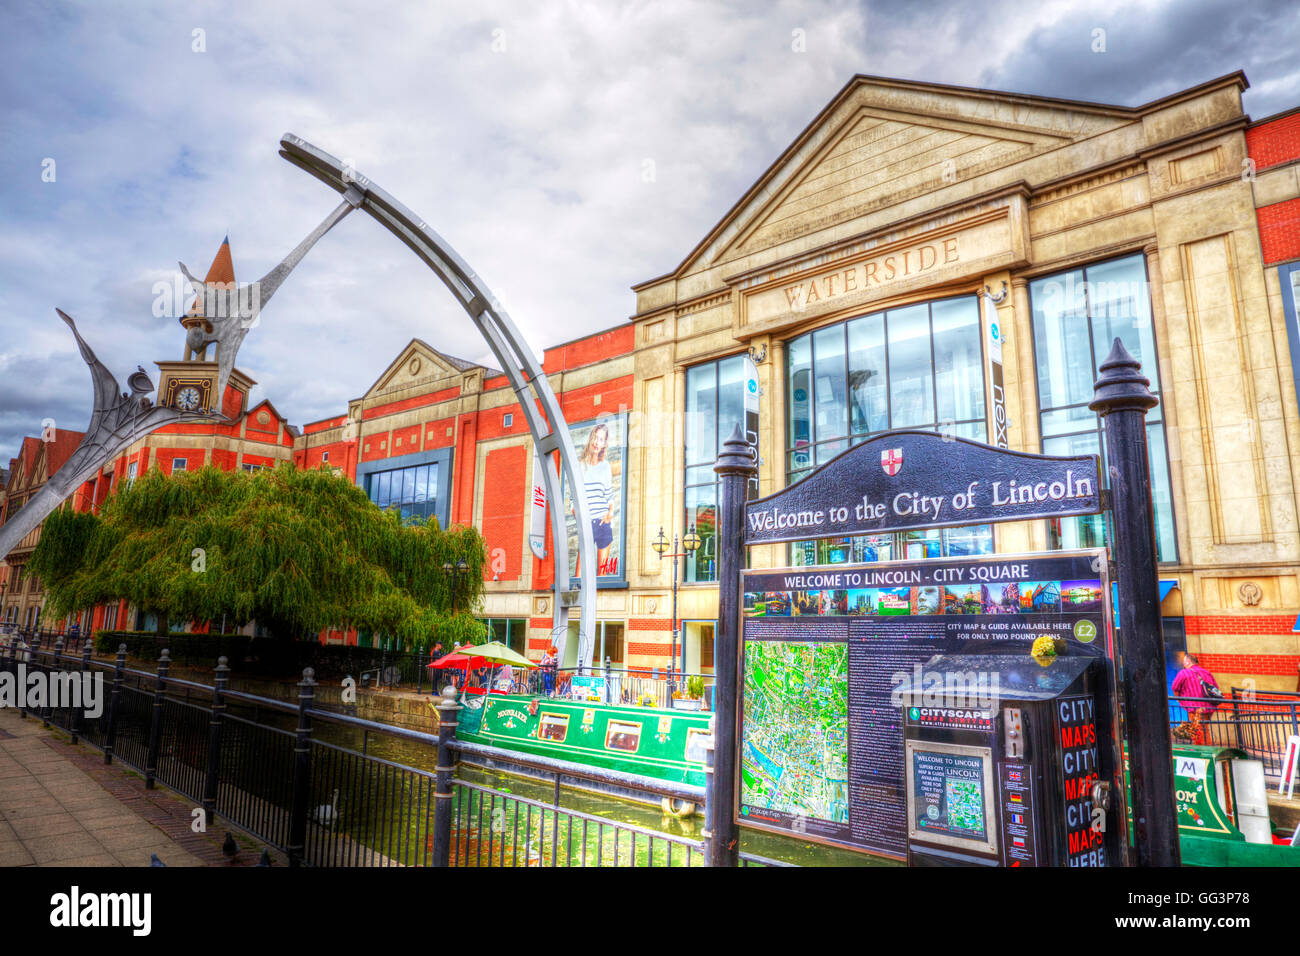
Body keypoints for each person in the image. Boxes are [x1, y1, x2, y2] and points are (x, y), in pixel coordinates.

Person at [576, 423, 618, 574]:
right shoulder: (580, 466)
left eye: (601, 439)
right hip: (586, 524)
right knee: (578, 575)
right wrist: (579, 516)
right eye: (595, 437)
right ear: (590, 438)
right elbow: (574, 499)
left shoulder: (605, 466)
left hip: (603, 523)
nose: (596, 442)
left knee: (603, 574)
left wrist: (609, 514)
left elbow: (609, 494)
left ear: (604, 444)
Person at [1172, 653, 1222, 742]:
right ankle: (1204, 748)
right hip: (1209, 707)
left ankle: (1203, 751)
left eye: (1184, 662)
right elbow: (1216, 689)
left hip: (1193, 707)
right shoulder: (1207, 673)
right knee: (1203, 729)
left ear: (1188, 662)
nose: (1183, 665)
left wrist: (1180, 700)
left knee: (1198, 731)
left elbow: (1175, 688)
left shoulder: (1184, 672)